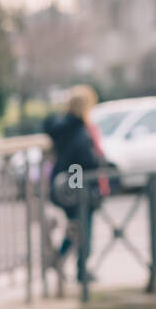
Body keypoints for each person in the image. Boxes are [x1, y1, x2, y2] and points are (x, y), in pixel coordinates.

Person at [43, 84, 108, 285]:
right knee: (83, 225)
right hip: (77, 181)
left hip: (64, 182)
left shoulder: (60, 126)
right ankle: (77, 268)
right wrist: (100, 161)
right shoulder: (80, 130)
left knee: (76, 226)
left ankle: (60, 259)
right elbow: (85, 158)